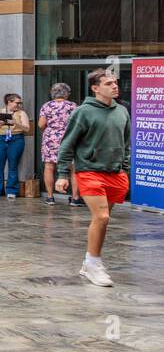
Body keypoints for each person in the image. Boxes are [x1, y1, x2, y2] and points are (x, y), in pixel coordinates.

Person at [56, 68, 131, 288]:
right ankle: (94, 264)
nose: (115, 86)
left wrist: (124, 167)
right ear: (95, 88)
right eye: (109, 83)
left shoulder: (122, 111)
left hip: (115, 173)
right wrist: (62, 174)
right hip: (89, 171)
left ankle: (90, 262)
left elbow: (126, 143)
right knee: (102, 218)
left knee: (102, 220)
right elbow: (67, 144)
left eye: (115, 82)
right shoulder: (83, 112)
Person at [38, 82, 81, 206]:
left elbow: (41, 124)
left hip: (50, 139)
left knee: (49, 167)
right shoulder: (73, 106)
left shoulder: (47, 106)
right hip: (69, 138)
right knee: (73, 168)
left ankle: (50, 197)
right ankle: (75, 198)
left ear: (52, 94)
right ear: (67, 93)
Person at [0, 93, 30, 199]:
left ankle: (12, 190)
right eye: (17, 102)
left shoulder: (21, 113)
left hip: (16, 139)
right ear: (9, 102)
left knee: (13, 166)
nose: (19, 105)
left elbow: (27, 128)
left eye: (20, 103)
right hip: (1, 139)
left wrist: (16, 123)